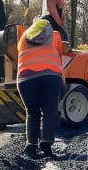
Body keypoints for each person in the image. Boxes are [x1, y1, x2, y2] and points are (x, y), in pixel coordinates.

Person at [17, 19, 64, 158]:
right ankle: (46, 142)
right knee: (50, 112)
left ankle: (31, 144)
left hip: (26, 79)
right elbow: (61, 51)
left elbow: (19, 51)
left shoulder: (24, 38)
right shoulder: (54, 36)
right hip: (50, 76)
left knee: (32, 112)